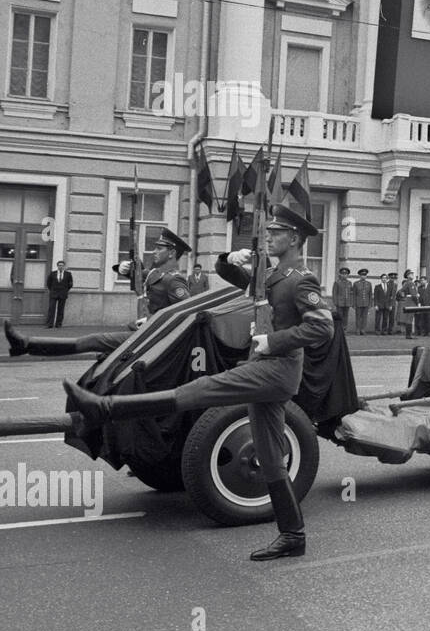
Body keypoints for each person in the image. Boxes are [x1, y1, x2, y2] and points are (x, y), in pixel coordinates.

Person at [62, 204, 333, 561]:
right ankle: (293, 536)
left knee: (203, 389)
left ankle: (106, 408)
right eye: (267, 232)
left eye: (275, 233)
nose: (268, 237)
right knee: (269, 458)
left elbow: (322, 327)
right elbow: (234, 278)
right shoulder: (273, 276)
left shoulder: (301, 279)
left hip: (277, 368)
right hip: (265, 363)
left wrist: (274, 342)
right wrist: (227, 259)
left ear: (295, 238)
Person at [6, 229, 191, 358]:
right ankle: (27, 345)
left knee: (95, 340)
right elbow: (134, 273)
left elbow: (186, 314)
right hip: (148, 330)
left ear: (172, 253)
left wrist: (152, 321)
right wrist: (123, 267)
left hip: (156, 336)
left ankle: (28, 345)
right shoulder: (155, 274)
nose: (154, 251)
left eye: (160, 248)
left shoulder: (175, 280)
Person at [45, 260, 73, 328]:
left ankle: (58, 324)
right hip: (53, 293)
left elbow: (70, 284)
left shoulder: (68, 274)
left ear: (64, 266)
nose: (61, 267)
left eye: (62, 265)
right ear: (57, 266)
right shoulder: (52, 273)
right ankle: (50, 324)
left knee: (61, 309)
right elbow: (48, 283)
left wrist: (65, 290)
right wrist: (52, 290)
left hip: (63, 294)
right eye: (59, 265)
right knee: (51, 309)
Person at [331, 267, 353, 331]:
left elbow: (351, 293)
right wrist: (335, 303)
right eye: (343, 274)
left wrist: (350, 302)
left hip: (347, 303)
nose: (344, 275)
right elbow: (334, 293)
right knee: (340, 316)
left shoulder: (349, 283)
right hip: (339, 303)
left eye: (346, 274)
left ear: (347, 275)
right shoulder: (337, 282)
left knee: (346, 317)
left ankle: (344, 329)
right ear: (340, 274)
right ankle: (339, 329)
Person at [352, 268, 372, 335]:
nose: (363, 276)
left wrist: (370, 304)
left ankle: (363, 329)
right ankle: (358, 329)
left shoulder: (369, 284)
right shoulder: (356, 284)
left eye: (365, 275)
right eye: (362, 275)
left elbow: (370, 294)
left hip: (366, 303)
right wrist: (354, 304)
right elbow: (354, 294)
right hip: (358, 303)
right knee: (358, 317)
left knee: (364, 317)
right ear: (359, 276)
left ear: (366, 276)